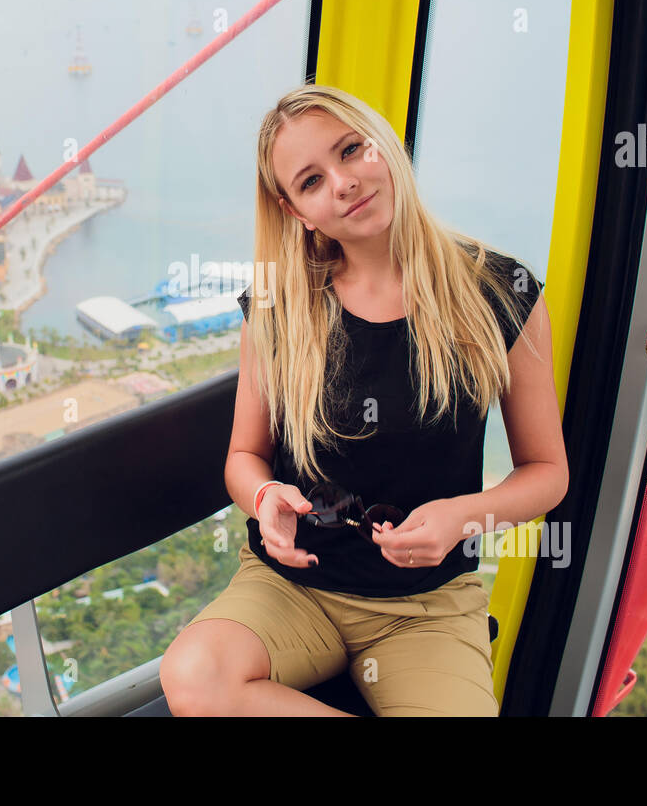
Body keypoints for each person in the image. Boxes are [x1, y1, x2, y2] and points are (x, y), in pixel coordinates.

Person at [159, 83, 569, 716]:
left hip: (427, 607)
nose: (344, 182)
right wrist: (266, 498)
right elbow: (245, 454)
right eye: (312, 181)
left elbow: (547, 474)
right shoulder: (278, 306)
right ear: (296, 211)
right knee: (194, 676)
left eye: (352, 151)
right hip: (291, 588)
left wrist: (465, 516)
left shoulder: (501, 290)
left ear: (387, 146)